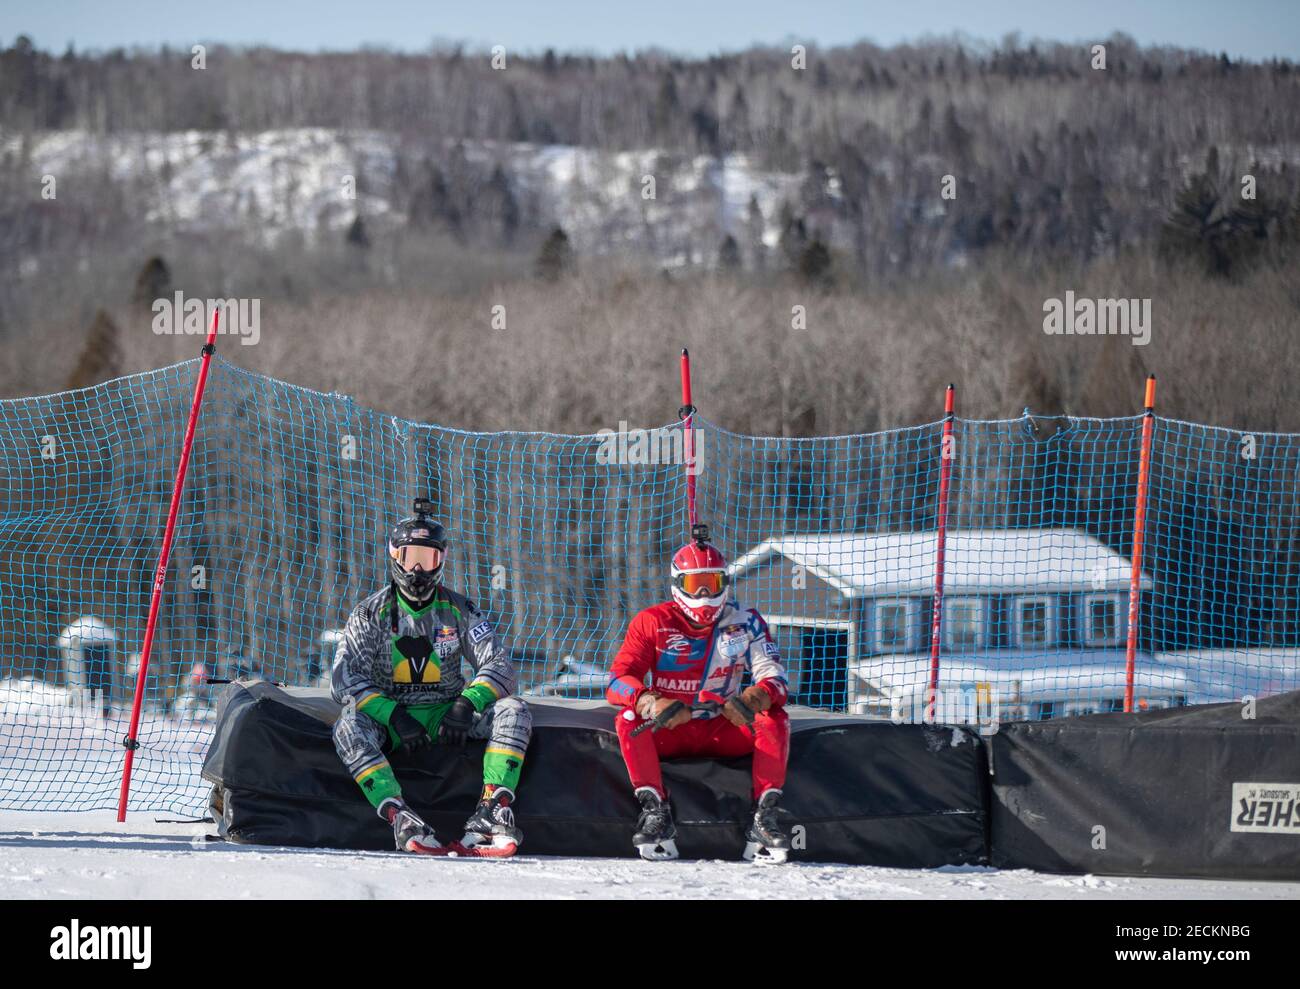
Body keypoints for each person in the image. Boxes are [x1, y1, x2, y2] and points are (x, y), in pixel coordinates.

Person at [331, 499, 531, 856]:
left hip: (447, 713)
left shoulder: (460, 609)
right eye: (411, 558)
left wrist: (467, 703)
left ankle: (492, 810)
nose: (419, 569)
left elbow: (499, 664)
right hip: (392, 718)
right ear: (394, 557)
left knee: (514, 710)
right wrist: (391, 714)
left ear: (442, 561)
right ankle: (400, 817)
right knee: (347, 726)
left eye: (430, 558)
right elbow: (344, 679)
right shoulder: (368, 614)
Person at [606, 525, 793, 863]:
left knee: (773, 716)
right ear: (678, 585)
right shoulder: (652, 621)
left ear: (726, 583)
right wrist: (651, 702)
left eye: (714, 583)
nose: (706, 593)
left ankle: (764, 817)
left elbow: (776, 678)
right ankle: (655, 812)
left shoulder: (747, 620)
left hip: (725, 725)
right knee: (628, 717)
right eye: (696, 584)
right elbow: (618, 680)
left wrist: (755, 698)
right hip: (671, 728)